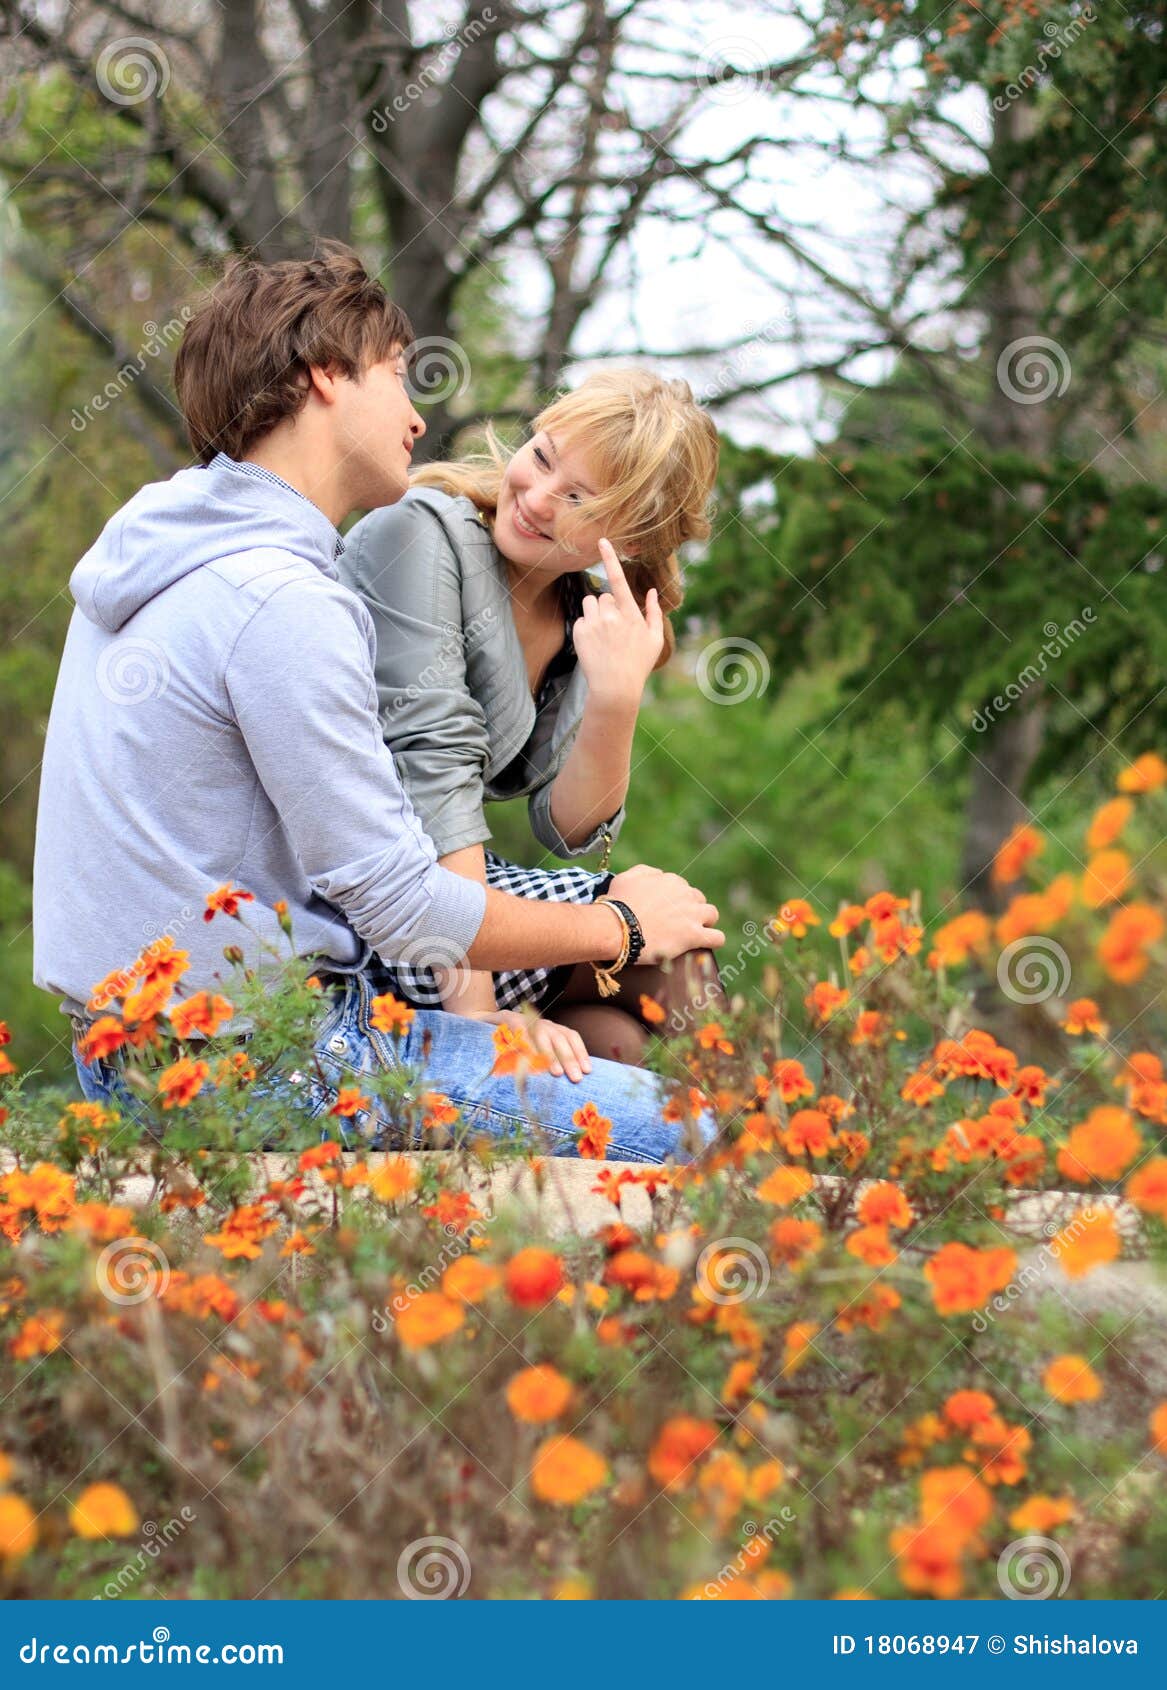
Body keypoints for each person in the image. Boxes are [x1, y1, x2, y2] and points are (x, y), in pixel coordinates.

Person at [31, 243, 724, 1161]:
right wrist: (622, 925)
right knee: (704, 1136)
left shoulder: (175, 541)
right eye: (398, 375)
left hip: (154, 1041)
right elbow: (403, 904)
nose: (417, 412)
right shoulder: (282, 598)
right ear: (326, 375)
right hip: (246, 1062)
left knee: (636, 1031)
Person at [339, 371, 726, 1081]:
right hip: (356, 898)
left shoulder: (578, 609)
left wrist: (615, 697)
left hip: (444, 891)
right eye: (543, 457)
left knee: (616, 1035)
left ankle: (742, 1169)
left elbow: (567, 831)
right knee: (664, 958)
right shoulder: (421, 537)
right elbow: (435, 782)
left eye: (579, 498)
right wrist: (482, 1022)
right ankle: (773, 1165)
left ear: (632, 536)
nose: (538, 498)